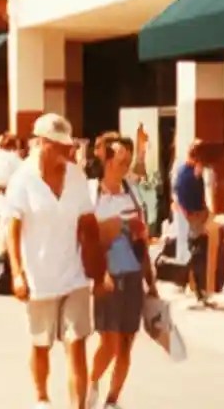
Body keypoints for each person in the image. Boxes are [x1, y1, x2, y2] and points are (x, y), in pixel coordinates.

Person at [4, 113, 102, 409]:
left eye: (68, 146)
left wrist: (99, 270)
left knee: (76, 344)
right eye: (60, 146)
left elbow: (88, 224)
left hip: (73, 275)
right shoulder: (23, 178)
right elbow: (13, 227)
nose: (67, 152)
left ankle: (78, 407)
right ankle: (42, 397)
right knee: (41, 344)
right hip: (39, 277)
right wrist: (18, 273)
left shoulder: (76, 176)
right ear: (42, 144)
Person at [87, 135, 155, 409]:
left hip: (133, 274)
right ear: (106, 159)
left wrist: (151, 280)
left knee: (127, 342)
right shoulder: (93, 193)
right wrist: (98, 274)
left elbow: (143, 239)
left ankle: (112, 401)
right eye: (120, 159)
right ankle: (91, 382)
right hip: (108, 276)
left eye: (127, 159)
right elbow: (88, 238)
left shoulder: (133, 191)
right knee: (110, 341)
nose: (125, 165)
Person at [173, 140, 212, 305]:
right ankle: (197, 287)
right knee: (197, 252)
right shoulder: (189, 172)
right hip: (192, 217)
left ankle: (193, 285)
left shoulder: (183, 171)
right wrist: (198, 212)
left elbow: (178, 194)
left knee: (192, 251)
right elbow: (187, 195)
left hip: (191, 216)